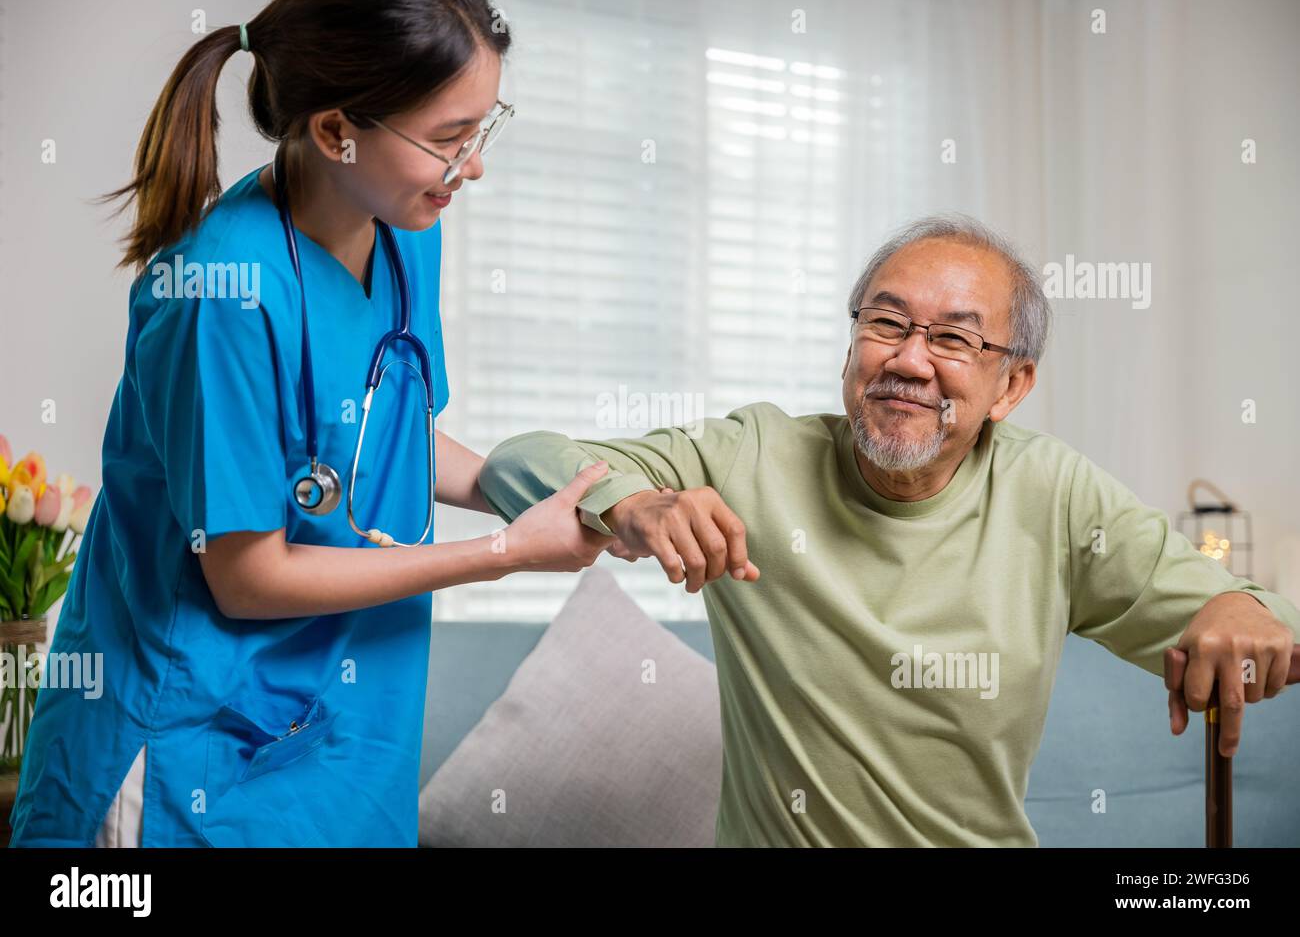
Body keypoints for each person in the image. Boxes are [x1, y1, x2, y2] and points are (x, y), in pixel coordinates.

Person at [9, 0, 617, 848]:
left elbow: (387, 441)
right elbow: (246, 574)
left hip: (342, 745)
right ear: (337, 131)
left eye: (483, 128)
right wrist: (503, 556)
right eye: (449, 139)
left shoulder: (407, 227)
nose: (473, 165)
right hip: (190, 748)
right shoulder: (221, 295)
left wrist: (560, 499)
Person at [476, 213, 1300, 846]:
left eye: (952, 338)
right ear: (851, 344)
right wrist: (631, 502)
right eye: (886, 323)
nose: (909, 359)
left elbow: (1267, 631)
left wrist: (1239, 610)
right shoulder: (752, 453)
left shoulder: (1053, 494)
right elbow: (517, 464)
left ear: (1010, 386)